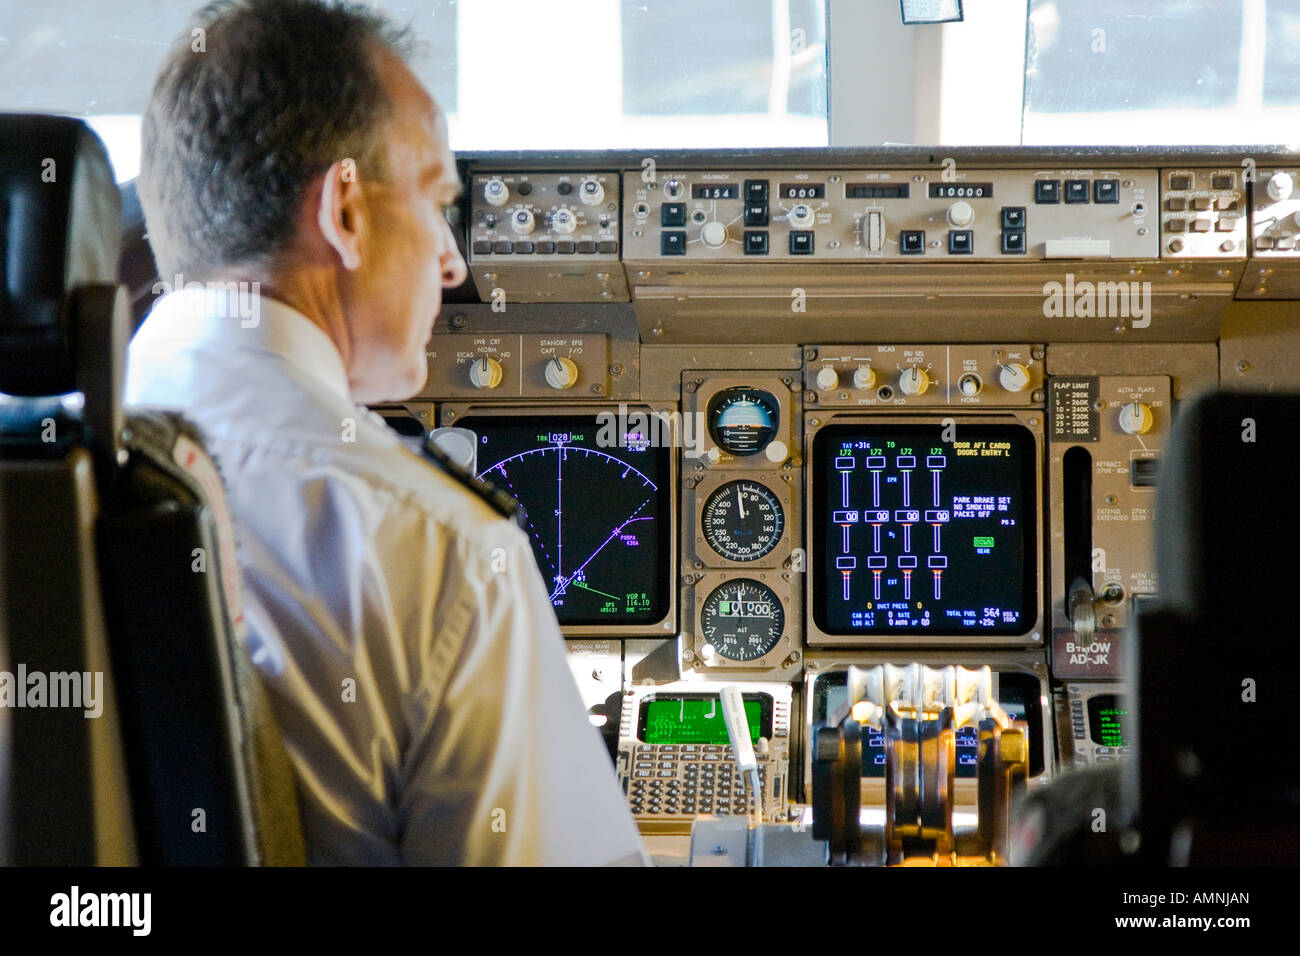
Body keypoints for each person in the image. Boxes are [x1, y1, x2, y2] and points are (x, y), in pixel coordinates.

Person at [125, 0, 646, 866]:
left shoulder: (39, 483)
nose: (453, 261)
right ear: (347, 210)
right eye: (437, 199)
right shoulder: (439, 552)